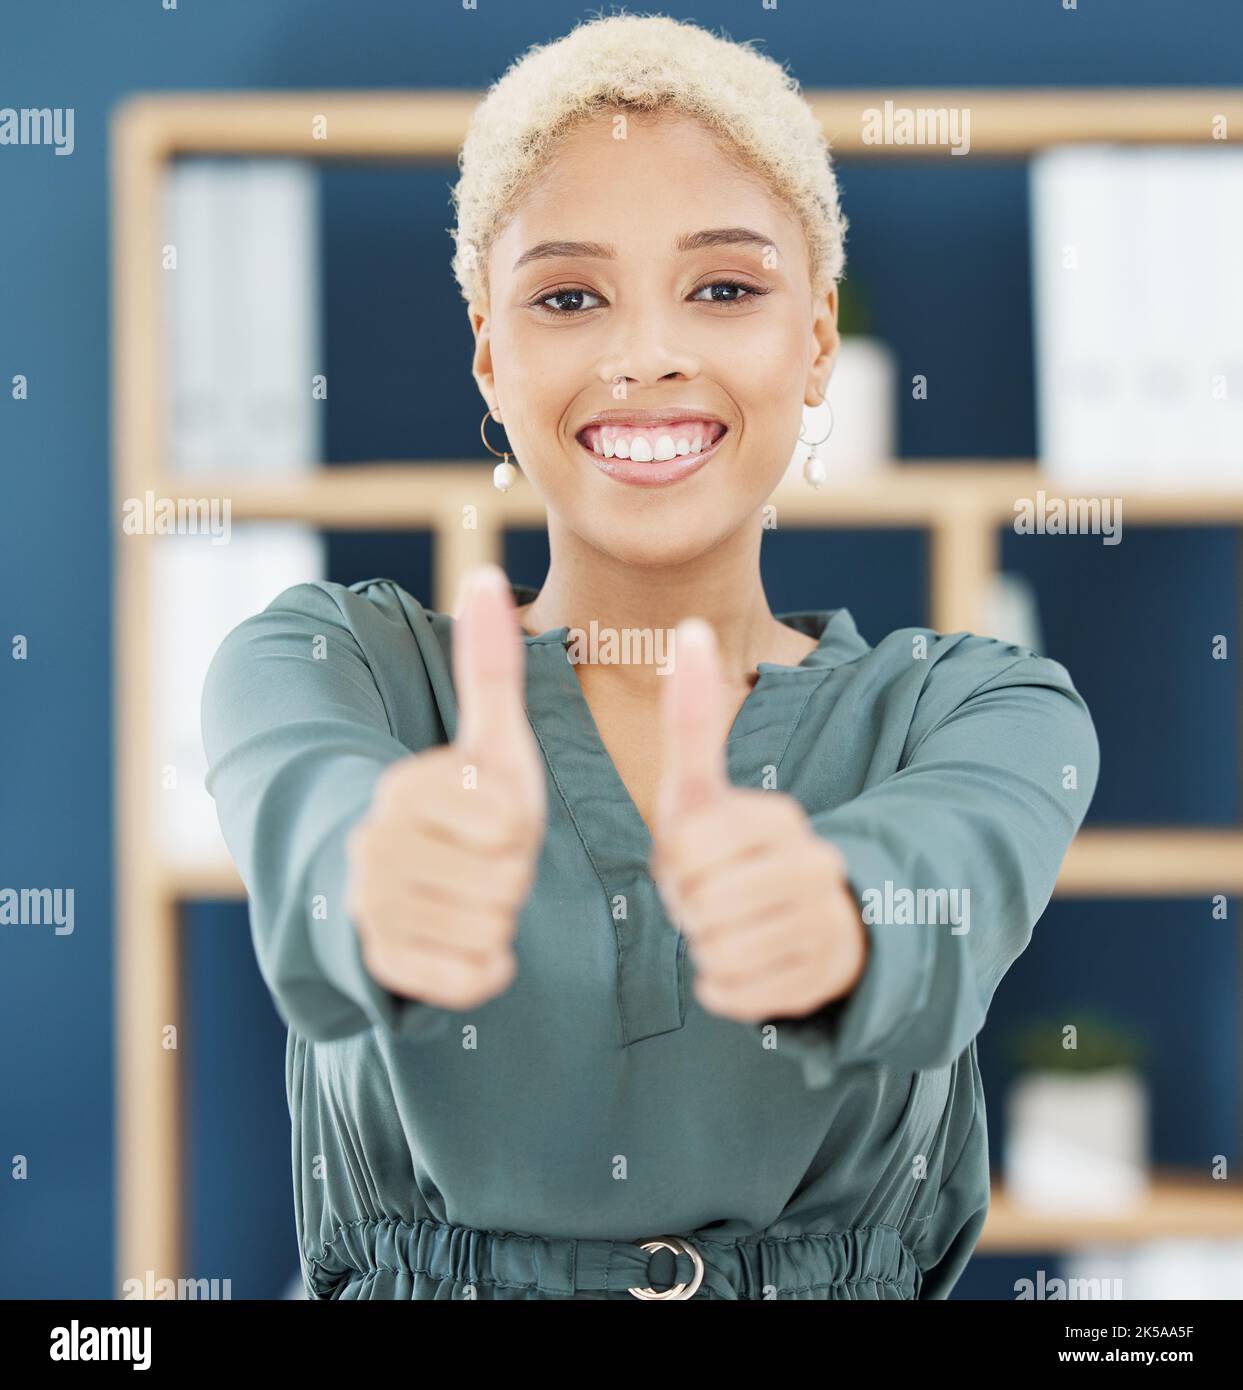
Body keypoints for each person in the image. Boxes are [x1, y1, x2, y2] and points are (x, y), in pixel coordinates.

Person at [201, 12, 1099, 1300]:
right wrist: (373, 873)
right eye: (570, 297)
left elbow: (952, 871)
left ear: (817, 342)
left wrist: (840, 916)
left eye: (724, 288)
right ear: (491, 355)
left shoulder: (983, 709)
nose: (646, 355)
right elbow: (310, 810)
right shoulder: (327, 663)